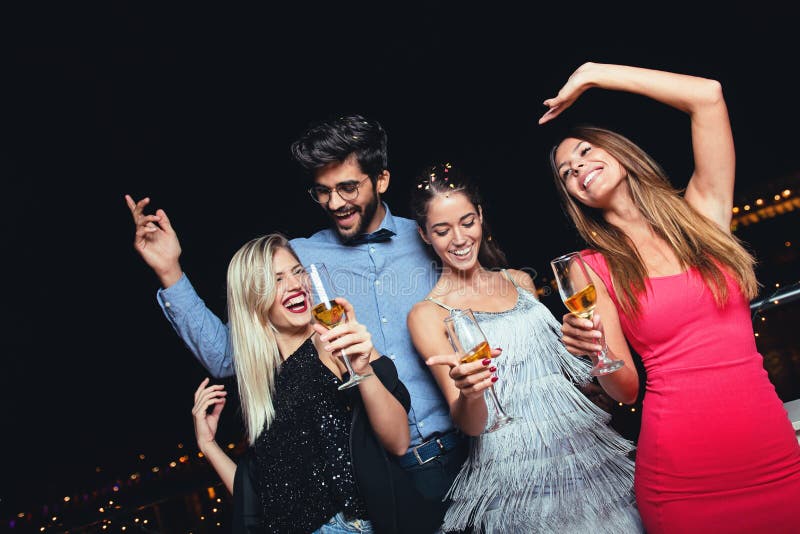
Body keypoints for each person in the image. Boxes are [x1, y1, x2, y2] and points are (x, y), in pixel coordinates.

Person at [125, 114, 466, 527]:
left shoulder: (433, 238)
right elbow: (231, 353)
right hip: (387, 476)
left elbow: (483, 302)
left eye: (347, 187)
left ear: (381, 180)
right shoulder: (299, 260)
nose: (335, 203)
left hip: (467, 445)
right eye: (322, 192)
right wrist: (170, 274)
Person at [541, 62, 800, 533]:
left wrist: (592, 73)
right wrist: (594, 348)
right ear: (573, 196)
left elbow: (708, 95)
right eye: (566, 172)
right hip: (682, 479)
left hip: (773, 458)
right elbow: (626, 389)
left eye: (584, 151)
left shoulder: (702, 214)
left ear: (618, 153)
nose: (578, 167)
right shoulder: (591, 267)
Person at [406, 162, 643, 533]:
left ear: (481, 216)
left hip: (580, 450)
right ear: (424, 235)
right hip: (514, 473)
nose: (458, 238)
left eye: (467, 222)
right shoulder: (427, 314)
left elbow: (554, 374)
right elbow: (471, 424)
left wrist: (588, 360)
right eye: (442, 229)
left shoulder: (519, 281)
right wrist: (471, 392)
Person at [189, 233, 439, 533]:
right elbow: (260, 502)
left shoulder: (335, 340)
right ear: (253, 298)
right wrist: (208, 445)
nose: (295, 285)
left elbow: (398, 441)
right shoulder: (261, 384)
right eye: (277, 279)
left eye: (297, 272)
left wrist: (362, 369)